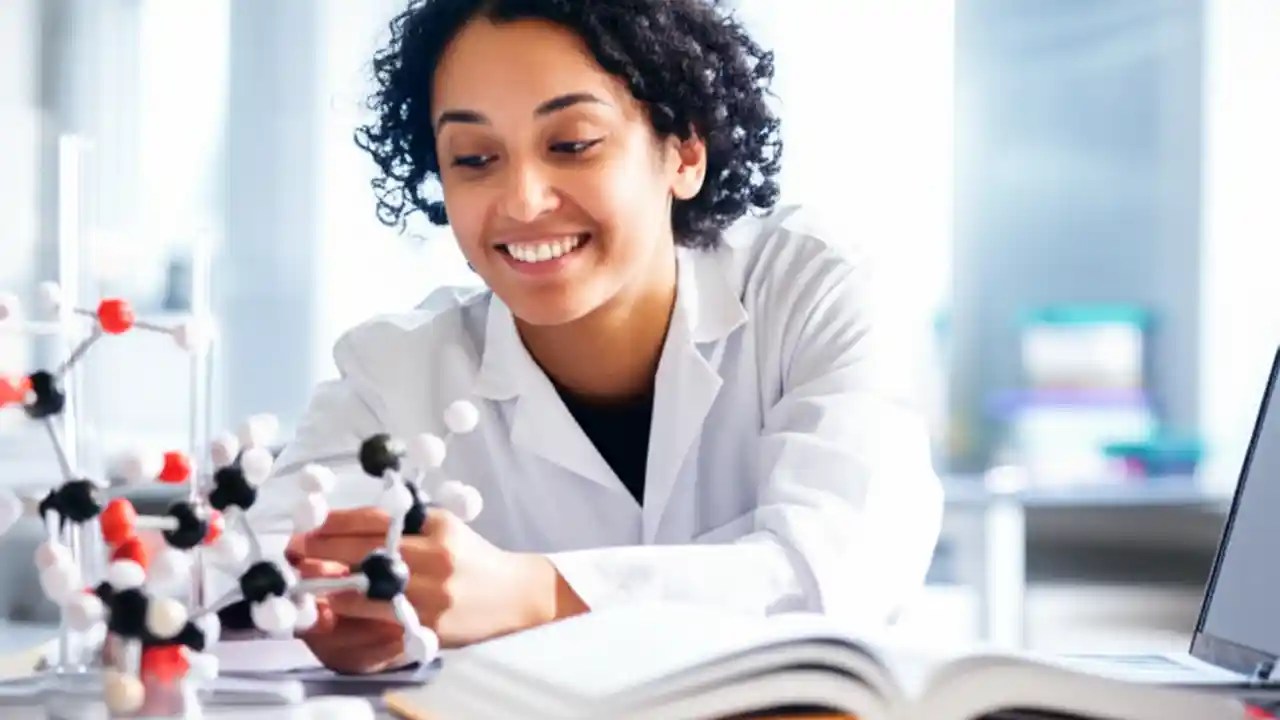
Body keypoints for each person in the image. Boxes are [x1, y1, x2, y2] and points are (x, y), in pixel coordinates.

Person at [274, 0, 943, 674]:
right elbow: (255, 571)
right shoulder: (394, 375)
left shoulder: (807, 289)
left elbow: (845, 571)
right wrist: (326, 616)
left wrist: (532, 594)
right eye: (474, 158)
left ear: (684, 151)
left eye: (572, 145)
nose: (523, 200)